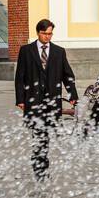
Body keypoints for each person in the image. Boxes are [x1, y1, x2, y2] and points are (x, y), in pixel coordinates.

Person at [14, 19, 78, 181]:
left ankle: (41, 165)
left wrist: (73, 95)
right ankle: (40, 169)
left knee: (45, 136)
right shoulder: (26, 51)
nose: (47, 37)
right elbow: (20, 77)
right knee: (38, 135)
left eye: (50, 34)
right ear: (38, 33)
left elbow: (67, 76)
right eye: (45, 34)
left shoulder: (59, 52)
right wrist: (20, 99)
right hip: (33, 102)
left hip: (52, 102)